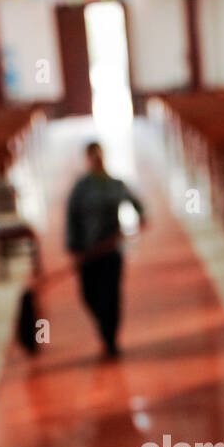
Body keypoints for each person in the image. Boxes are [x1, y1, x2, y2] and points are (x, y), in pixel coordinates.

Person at [65, 141, 146, 358]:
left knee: (112, 296)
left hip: (111, 252)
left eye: (100, 157)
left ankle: (110, 338)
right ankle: (103, 325)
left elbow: (137, 204)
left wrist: (141, 218)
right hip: (88, 252)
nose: (97, 161)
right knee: (89, 295)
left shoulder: (115, 184)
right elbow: (71, 218)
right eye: (93, 158)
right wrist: (74, 248)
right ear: (88, 160)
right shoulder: (80, 188)